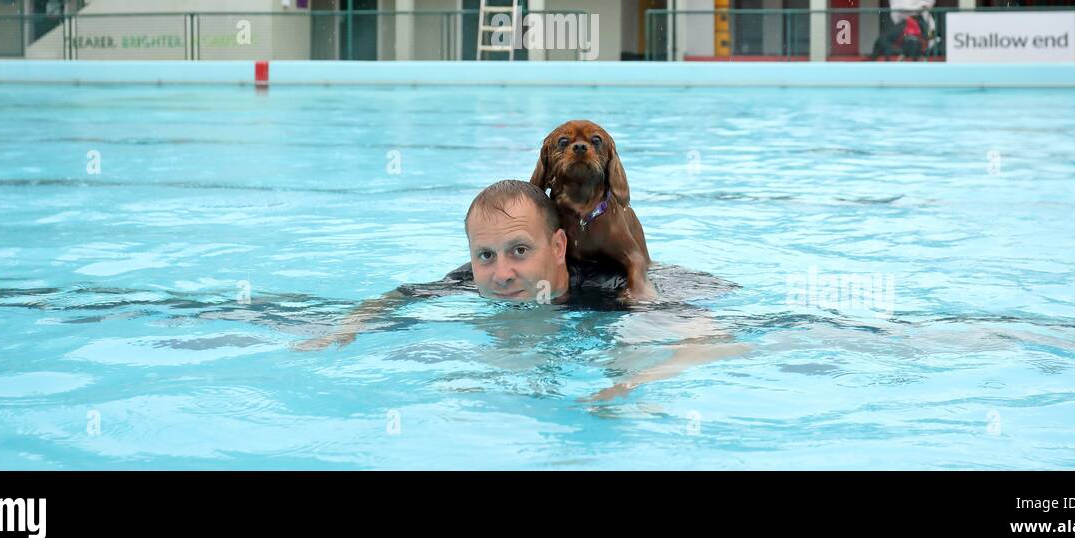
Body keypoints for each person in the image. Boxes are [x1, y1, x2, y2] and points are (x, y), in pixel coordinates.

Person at [292, 179, 749, 400]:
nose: (501, 274)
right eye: (485, 256)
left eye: (518, 251)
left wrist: (631, 382)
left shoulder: (612, 291)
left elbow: (718, 343)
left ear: (557, 245)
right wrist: (344, 328)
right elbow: (400, 296)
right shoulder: (465, 282)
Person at [870, 0, 936, 60]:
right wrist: (917, 7)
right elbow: (899, 5)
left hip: (916, 25)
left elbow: (930, 8)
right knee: (910, 38)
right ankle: (905, 55)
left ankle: (917, 53)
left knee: (926, 34)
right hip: (903, 23)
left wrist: (931, 37)